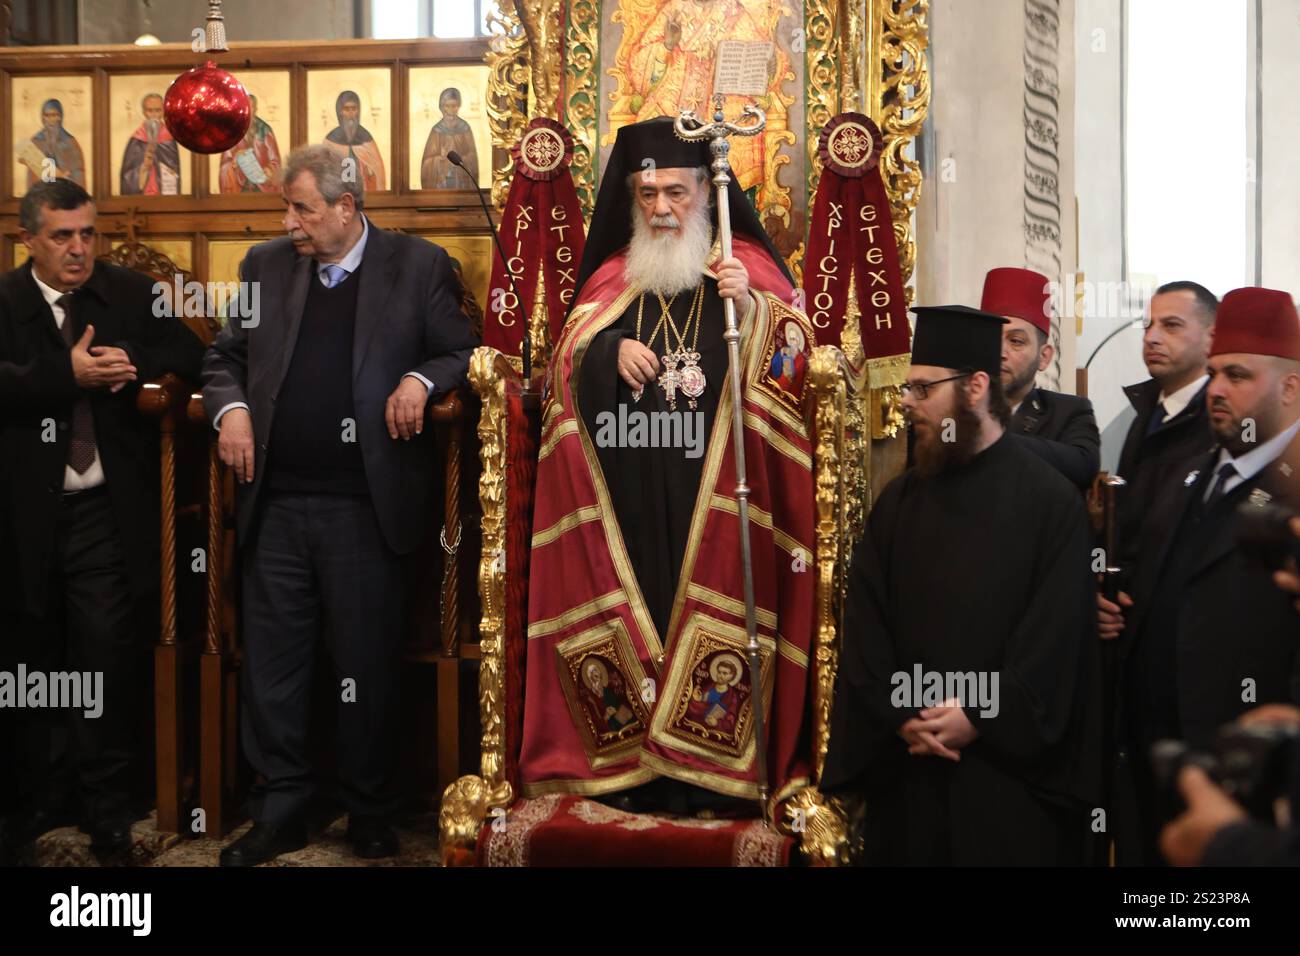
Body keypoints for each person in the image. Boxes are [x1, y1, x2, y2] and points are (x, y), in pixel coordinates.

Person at [517, 116, 815, 812]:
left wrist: (757, 307)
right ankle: (633, 769)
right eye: (646, 193)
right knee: (640, 608)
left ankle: (718, 775)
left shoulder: (749, 276)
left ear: (707, 196)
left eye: (676, 193)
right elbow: (562, 368)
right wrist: (605, 352)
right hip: (624, 499)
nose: (659, 208)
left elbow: (805, 365)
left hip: (717, 498)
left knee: (709, 614)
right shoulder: (613, 281)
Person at [201, 144, 477, 866]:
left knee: (365, 664)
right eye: (288, 208)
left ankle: (369, 809)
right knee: (276, 665)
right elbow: (224, 356)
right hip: (278, 503)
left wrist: (419, 378)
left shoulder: (416, 266)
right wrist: (228, 411)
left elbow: (461, 350)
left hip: (364, 505)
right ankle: (282, 805)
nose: (290, 221)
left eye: (303, 209)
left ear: (347, 208)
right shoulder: (265, 265)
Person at [821, 304, 1102, 865]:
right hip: (909, 777)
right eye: (907, 389)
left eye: (924, 389)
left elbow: (1057, 644)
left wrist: (979, 713)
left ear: (976, 387)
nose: (905, 403)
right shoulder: (899, 503)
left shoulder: (1049, 503)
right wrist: (901, 713)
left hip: (1007, 790)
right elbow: (867, 631)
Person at [0, 179, 203, 858]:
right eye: (62, 236)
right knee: (31, 657)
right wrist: (68, 375)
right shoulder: (5, 301)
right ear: (29, 240)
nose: (80, 249)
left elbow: (193, 356)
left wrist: (135, 363)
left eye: (89, 233)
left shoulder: (131, 293)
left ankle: (106, 806)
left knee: (102, 656)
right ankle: (37, 799)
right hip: (22, 517)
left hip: (103, 512)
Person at [1101, 287, 1300, 865]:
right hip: (1156, 765)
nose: (1215, 390)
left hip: (1247, 789)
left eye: (1237, 375)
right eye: (1213, 373)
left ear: (1290, 387)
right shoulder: (1189, 472)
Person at [982, 266, 1100, 489]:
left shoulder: (1070, 412)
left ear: (1044, 357)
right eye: (990, 337)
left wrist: (990, 439)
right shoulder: (957, 411)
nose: (1000, 352)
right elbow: (945, 439)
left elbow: (1083, 465)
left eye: (1016, 341)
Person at [218, 94, 282, 194]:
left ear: (255, 109)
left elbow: (276, 162)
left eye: (250, 108)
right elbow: (225, 165)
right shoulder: (232, 131)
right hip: (239, 188)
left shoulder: (264, 130)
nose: (247, 112)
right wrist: (235, 161)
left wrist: (269, 170)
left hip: (262, 189)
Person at [17, 98, 86, 191]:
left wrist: (68, 177)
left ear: (60, 117)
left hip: (64, 191)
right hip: (42, 191)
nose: (50, 119)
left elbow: (78, 171)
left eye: (54, 115)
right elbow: (32, 175)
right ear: (43, 117)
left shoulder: (70, 142)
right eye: (47, 115)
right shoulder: (36, 141)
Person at [323, 90, 385, 192]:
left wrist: (369, 170)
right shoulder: (331, 139)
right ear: (340, 112)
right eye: (346, 109)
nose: (351, 113)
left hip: (365, 192)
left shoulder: (366, 137)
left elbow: (378, 171)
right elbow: (324, 172)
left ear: (358, 111)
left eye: (354, 109)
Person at [120, 93, 181, 196]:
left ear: (163, 112)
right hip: (141, 198)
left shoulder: (169, 139)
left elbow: (174, 171)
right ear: (144, 112)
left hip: (165, 197)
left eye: (157, 110)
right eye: (150, 110)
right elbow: (127, 175)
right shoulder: (137, 139)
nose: (154, 115)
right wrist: (144, 167)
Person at [419, 88, 477, 190]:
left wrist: (461, 160)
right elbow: (427, 162)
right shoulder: (437, 130)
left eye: (454, 106)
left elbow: (472, 157)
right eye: (447, 106)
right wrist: (439, 159)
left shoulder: (464, 128)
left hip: (461, 181)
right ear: (442, 107)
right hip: (441, 182)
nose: (450, 109)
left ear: (458, 106)